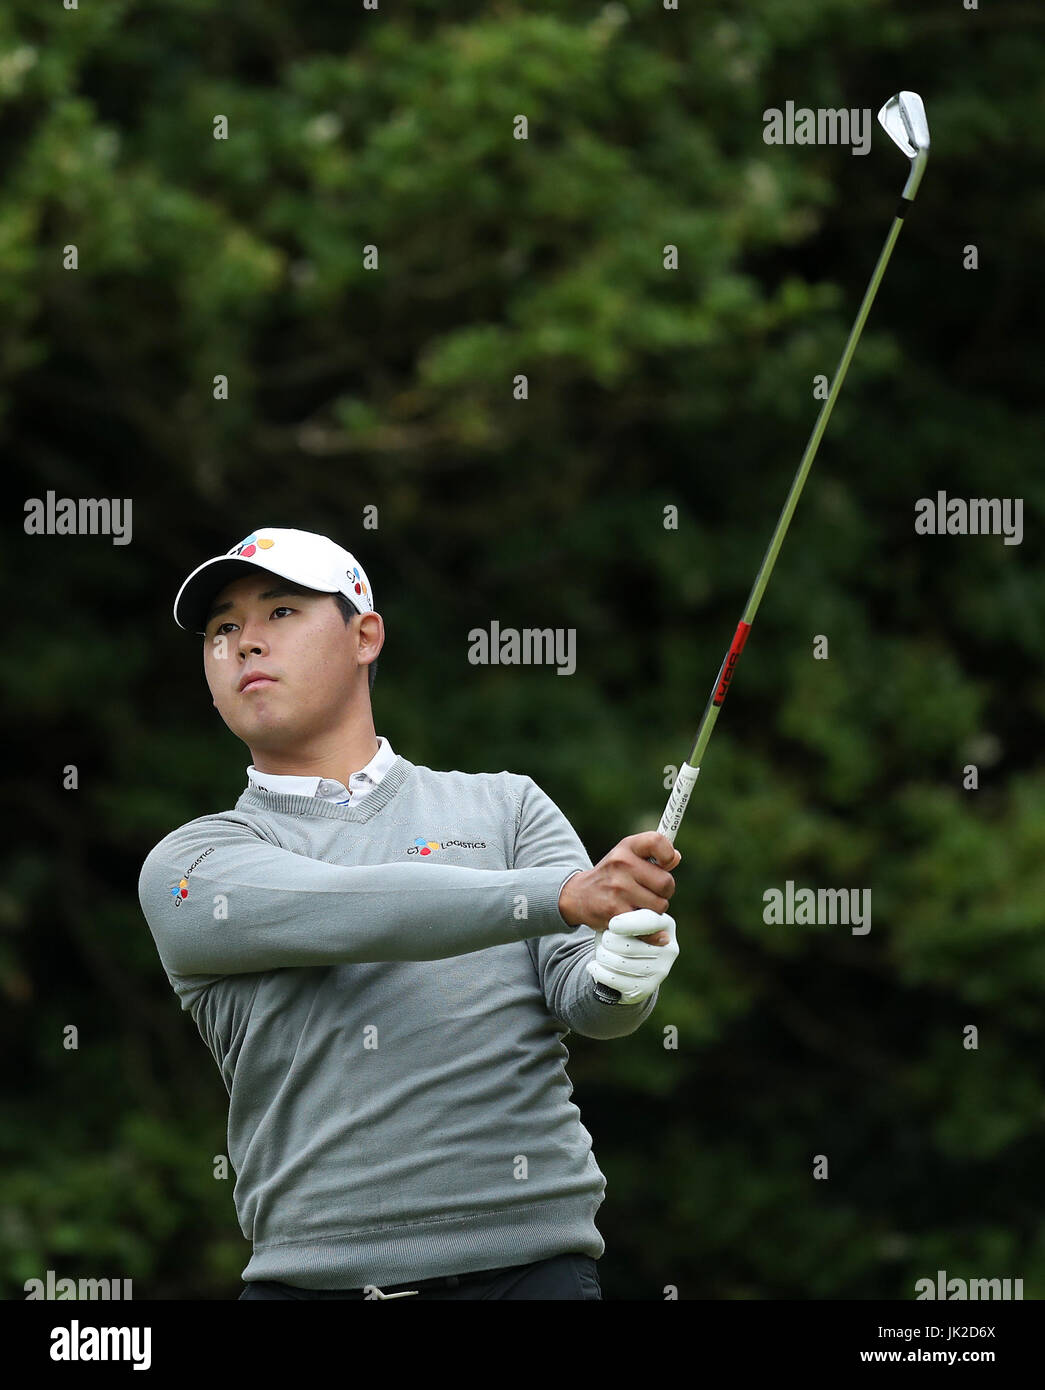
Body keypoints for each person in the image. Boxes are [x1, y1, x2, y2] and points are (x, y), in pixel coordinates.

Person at [137, 527, 682, 1300]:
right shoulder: (190, 866)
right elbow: (351, 910)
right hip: (313, 1285)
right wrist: (560, 896)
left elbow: (587, 1002)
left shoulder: (507, 806)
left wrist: (623, 971)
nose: (245, 641)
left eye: (281, 612)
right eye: (222, 629)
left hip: (529, 1272)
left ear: (365, 636)